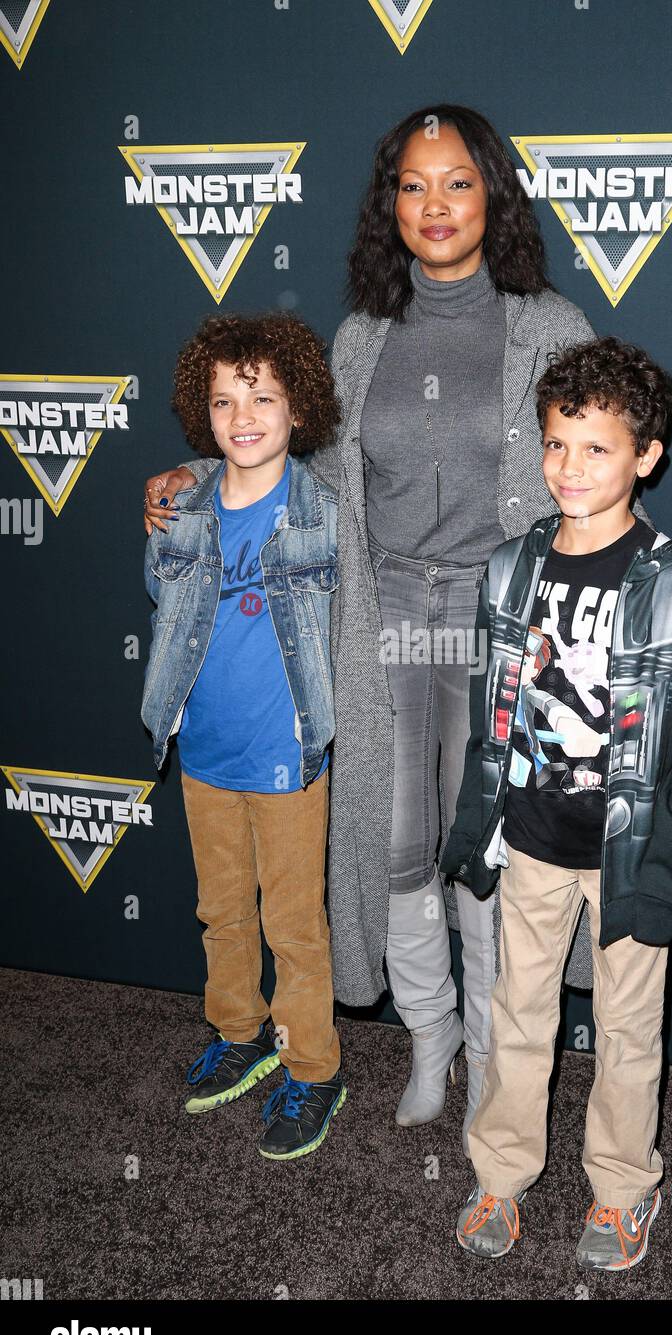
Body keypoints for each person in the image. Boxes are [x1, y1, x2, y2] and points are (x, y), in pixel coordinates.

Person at [142, 105, 646, 1156]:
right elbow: (310, 476)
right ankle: (428, 1040)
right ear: (390, 205)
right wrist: (196, 477)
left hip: (502, 627)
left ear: (490, 195)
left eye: (455, 182)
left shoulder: (548, 326)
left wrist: (656, 580)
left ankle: (491, 1062)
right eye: (412, 186)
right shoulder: (362, 337)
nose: (434, 205)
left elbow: (598, 459)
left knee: (484, 854)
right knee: (395, 841)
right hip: (376, 617)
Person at [440, 337, 672, 1269]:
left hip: (629, 856)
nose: (570, 467)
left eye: (596, 448)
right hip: (529, 841)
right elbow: (495, 716)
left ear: (647, 457)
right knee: (517, 1016)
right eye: (556, 444)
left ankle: (620, 1192)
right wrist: (478, 825)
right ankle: (500, 1173)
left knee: (629, 1033)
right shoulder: (509, 569)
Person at [141, 311, 347, 1161]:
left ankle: (314, 1067)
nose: (245, 415)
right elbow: (165, 610)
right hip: (204, 751)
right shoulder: (178, 506)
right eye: (225, 401)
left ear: (298, 407)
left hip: (288, 755)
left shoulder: (324, 514)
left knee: (294, 924)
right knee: (220, 910)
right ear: (203, 411)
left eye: (263, 396)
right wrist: (168, 487)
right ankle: (240, 1029)